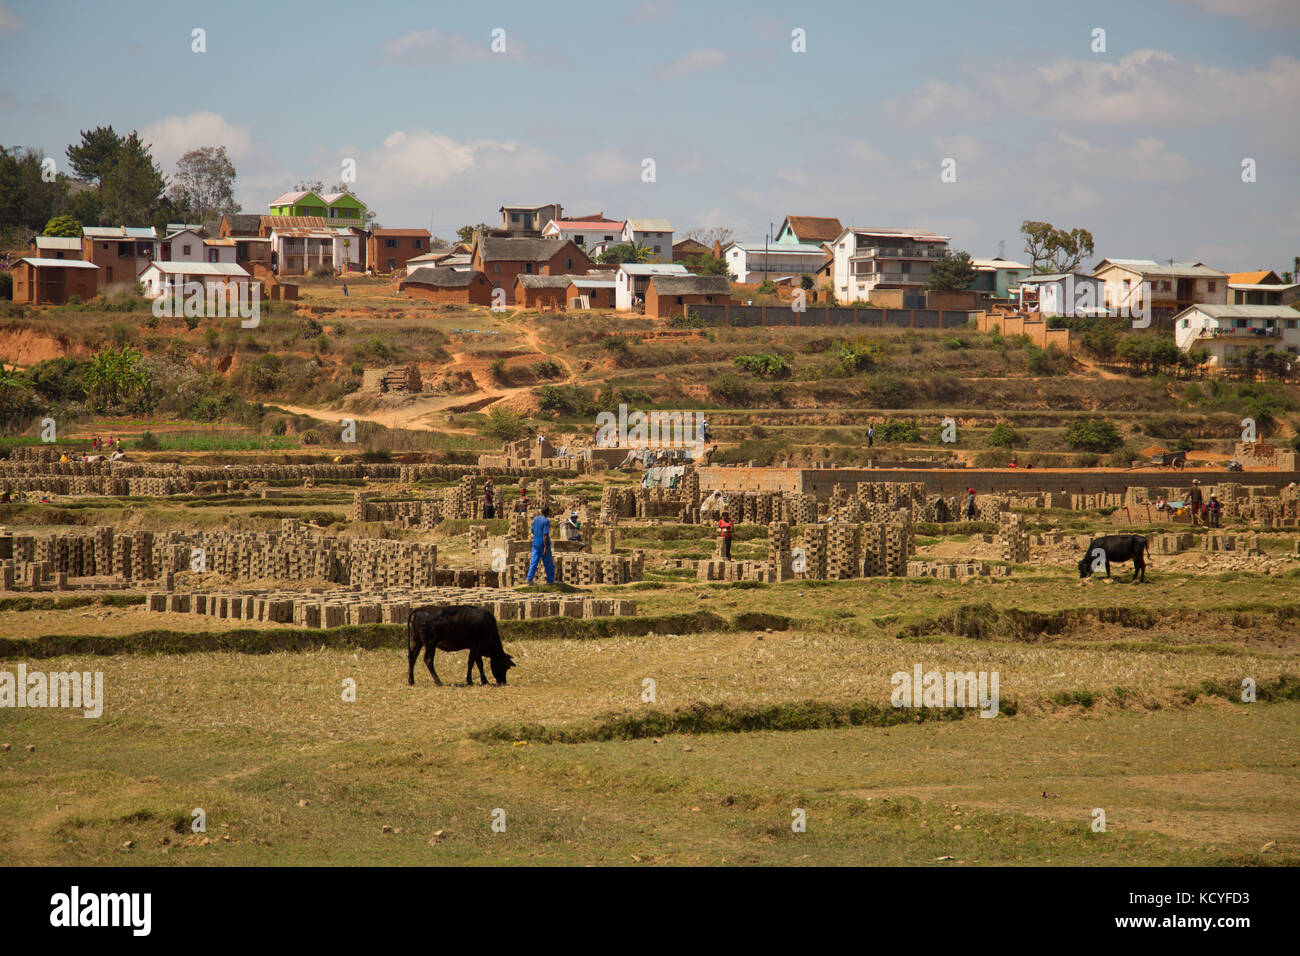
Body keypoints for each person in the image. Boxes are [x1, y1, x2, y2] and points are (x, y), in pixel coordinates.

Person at [526, 506, 555, 584]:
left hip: (535, 544)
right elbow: (545, 535)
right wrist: (545, 547)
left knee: (534, 562)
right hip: (543, 544)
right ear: (547, 513)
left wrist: (536, 536)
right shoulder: (546, 521)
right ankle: (550, 580)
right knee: (548, 563)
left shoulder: (536, 519)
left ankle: (529, 579)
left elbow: (532, 530)